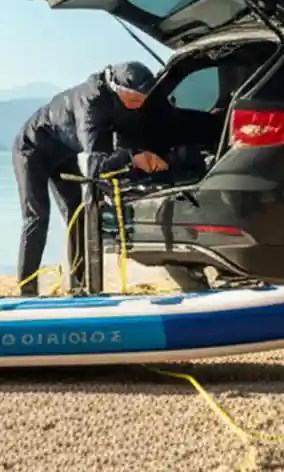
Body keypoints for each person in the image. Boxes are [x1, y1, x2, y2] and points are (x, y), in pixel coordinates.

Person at [11, 61, 169, 296]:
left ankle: (80, 285)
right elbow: (95, 166)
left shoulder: (127, 102)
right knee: (37, 217)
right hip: (32, 150)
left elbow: (119, 151)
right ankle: (27, 289)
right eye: (134, 100)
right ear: (118, 89)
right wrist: (132, 159)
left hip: (66, 152)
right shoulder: (90, 104)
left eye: (142, 100)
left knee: (80, 216)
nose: (139, 105)